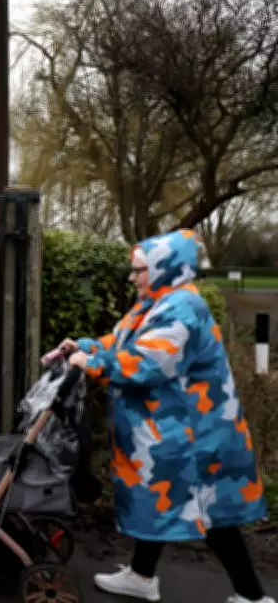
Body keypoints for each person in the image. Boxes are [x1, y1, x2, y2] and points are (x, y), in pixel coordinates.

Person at [57, 229, 272, 603]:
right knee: (166, 498)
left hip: (196, 433)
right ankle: (142, 576)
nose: (132, 277)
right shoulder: (158, 302)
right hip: (178, 428)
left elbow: (146, 363)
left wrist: (90, 362)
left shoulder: (182, 309)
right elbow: (123, 342)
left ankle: (252, 597)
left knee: (208, 511)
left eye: (139, 270)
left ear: (163, 269)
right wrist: (86, 346)